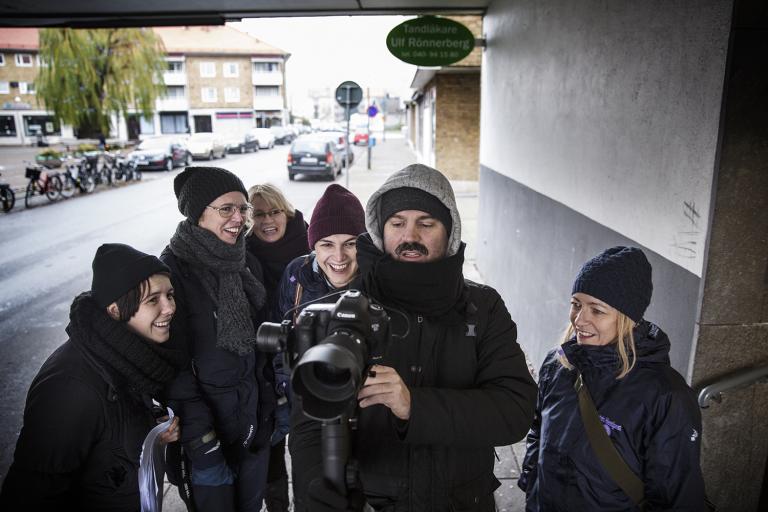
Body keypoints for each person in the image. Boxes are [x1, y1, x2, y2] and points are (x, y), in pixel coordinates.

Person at [290, 164, 538, 511]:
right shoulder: (340, 313)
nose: (410, 236)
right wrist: (319, 489)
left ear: (449, 232)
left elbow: (516, 411)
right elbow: (307, 427)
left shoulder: (483, 308)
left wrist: (414, 405)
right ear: (380, 231)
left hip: (462, 501)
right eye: (397, 223)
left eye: (426, 223)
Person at [518, 246, 706, 510]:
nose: (579, 320)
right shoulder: (558, 364)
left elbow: (676, 498)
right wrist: (531, 486)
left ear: (627, 318)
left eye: (597, 310)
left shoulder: (666, 397)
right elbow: (538, 430)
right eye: (576, 304)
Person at [0, 243, 185, 511]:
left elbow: (109, 431)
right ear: (115, 309)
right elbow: (32, 493)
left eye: (170, 295)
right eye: (153, 300)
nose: (169, 308)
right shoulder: (69, 389)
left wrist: (152, 428)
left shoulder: (130, 355)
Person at [162, 167, 275, 512]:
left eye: (243, 209)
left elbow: (263, 348)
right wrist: (201, 440)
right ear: (198, 213)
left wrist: (273, 407)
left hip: (253, 426)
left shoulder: (247, 263)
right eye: (226, 209)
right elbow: (170, 366)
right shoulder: (171, 273)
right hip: (206, 438)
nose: (239, 219)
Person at [245, 183, 309, 512]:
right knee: (270, 447)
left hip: (302, 364)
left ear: (287, 213)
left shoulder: (313, 245)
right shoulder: (243, 255)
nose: (268, 220)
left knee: (306, 445)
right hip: (261, 366)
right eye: (258, 214)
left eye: (275, 212)